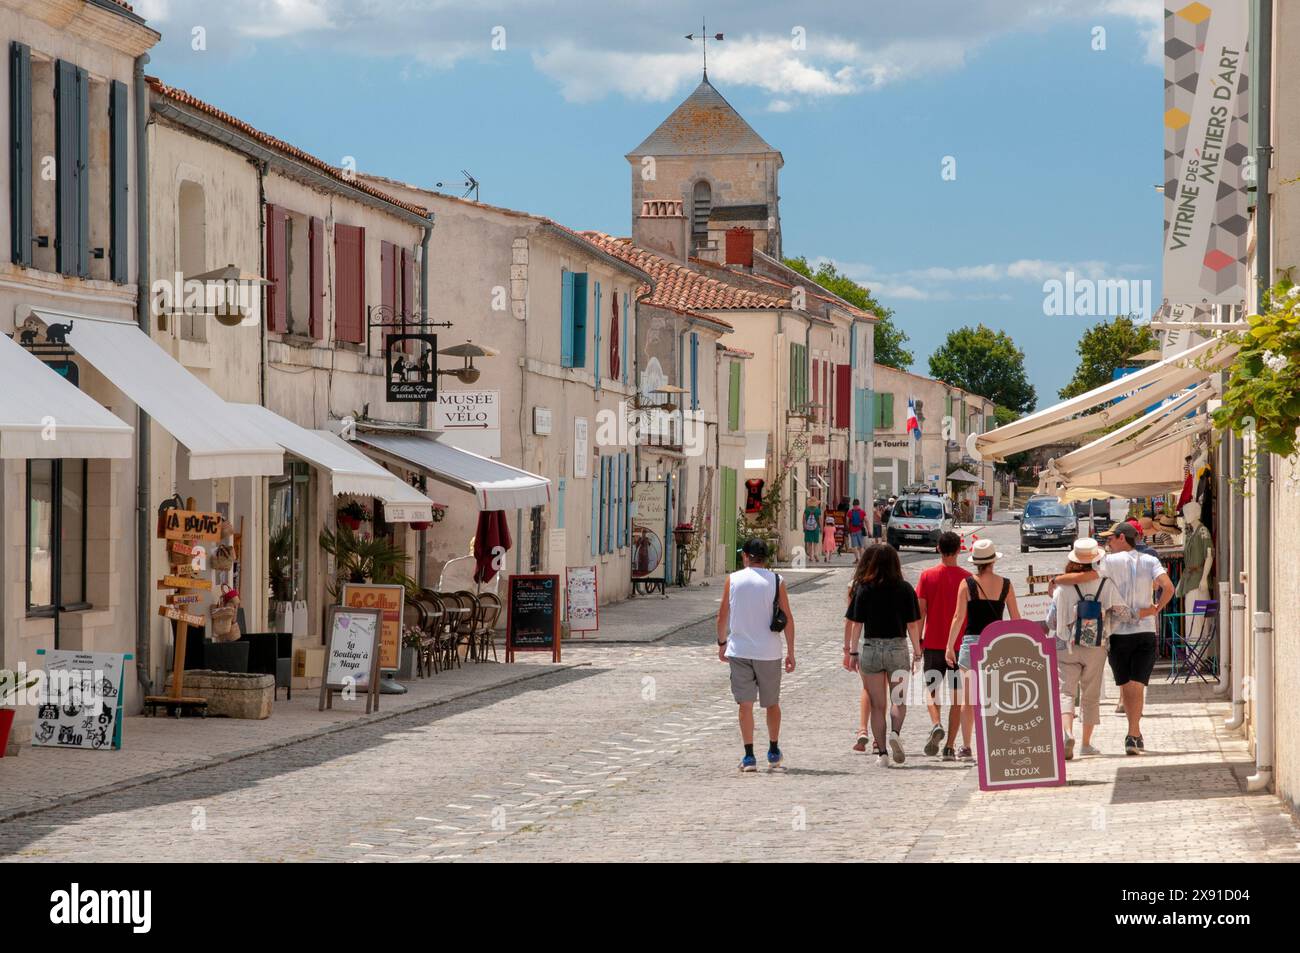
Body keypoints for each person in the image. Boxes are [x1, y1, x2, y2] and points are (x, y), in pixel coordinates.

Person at [1054, 521, 1174, 755]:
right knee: (1138, 685)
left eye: (1110, 538)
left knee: (1125, 684)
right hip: (1146, 630)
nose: (1107, 543)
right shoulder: (1150, 560)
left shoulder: (1107, 563)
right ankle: (1134, 733)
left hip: (1118, 633)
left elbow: (1086, 577)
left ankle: (1128, 734)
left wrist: (1057, 580)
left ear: (1121, 538)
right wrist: (1156, 609)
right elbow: (1168, 587)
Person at [717, 537, 795, 772]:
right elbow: (787, 618)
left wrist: (722, 642)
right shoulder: (777, 580)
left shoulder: (733, 580)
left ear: (746, 557)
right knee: (772, 703)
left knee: (745, 705)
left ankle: (749, 756)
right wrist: (791, 651)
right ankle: (773, 750)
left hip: (740, 650)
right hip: (769, 651)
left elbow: (722, 616)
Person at [843, 543, 922, 766]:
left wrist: (852, 651)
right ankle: (895, 733)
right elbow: (912, 626)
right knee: (898, 700)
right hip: (897, 647)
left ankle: (883, 754)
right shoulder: (905, 589)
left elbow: (856, 624)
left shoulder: (864, 589)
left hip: (871, 648)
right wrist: (917, 653)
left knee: (877, 705)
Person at [945, 538, 1020, 762]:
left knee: (969, 701)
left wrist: (950, 646)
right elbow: (1015, 618)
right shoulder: (1006, 584)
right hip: (997, 643)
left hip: (971, 644)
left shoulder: (966, 584)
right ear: (993, 561)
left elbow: (959, 618)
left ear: (976, 562)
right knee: (994, 698)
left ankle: (967, 747)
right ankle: (994, 744)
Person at [1051, 539, 1121, 759]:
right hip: (1095, 645)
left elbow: (1053, 620)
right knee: (1090, 693)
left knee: (1066, 692)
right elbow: (1119, 611)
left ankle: (1067, 732)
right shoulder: (1106, 583)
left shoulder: (1062, 586)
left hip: (1066, 645)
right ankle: (1086, 743)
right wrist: (1106, 630)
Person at [915, 531, 970, 760]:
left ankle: (936, 723)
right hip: (958, 646)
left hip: (934, 644)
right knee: (957, 698)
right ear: (959, 550)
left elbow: (920, 612)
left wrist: (918, 641)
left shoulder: (927, 576)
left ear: (938, 548)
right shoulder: (967, 579)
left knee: (931, 691)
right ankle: (949, 746)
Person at [802, 497, 823, 564]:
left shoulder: (806, 510)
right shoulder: (818, 510)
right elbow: (820, 520)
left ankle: (811, 556)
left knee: (809, 543)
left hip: (808, 528)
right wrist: (821, 528)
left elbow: (804, 519)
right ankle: (816, 554)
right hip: (815, 528)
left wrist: (804, 526)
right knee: (815, 542)